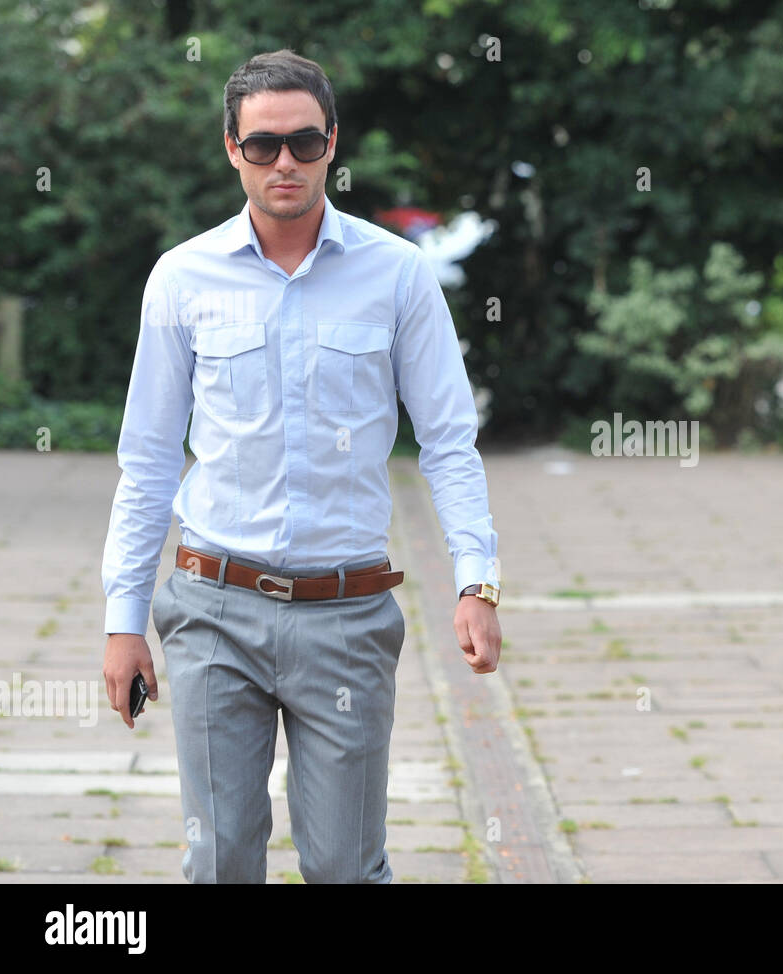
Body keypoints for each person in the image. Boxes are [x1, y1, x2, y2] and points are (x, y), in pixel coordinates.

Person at [100, 49, 502, 884]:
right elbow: (145, 461)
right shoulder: (183, 279)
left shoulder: (397, 275)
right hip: (212, 611)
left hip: (347, 618)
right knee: (219, 859)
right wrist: (122, 618)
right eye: (263, 145)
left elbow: (448, 441)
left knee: (346, 867)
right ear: (231, 149)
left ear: (332, 145)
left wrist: (476, 580)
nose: (285, 161)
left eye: (304, 142)